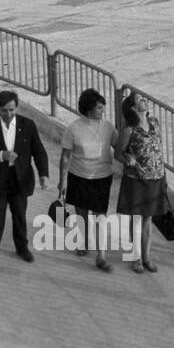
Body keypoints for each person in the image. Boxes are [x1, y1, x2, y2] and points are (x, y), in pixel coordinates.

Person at [0, 90, 50, 270]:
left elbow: (38, 151)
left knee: (20, 216)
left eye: (11, 110)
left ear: (16, 107)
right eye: (4, 111)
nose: (8, 115)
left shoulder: (28, 125)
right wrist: (1, 155)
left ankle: (22, 248)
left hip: (20, 180)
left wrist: (43, 175)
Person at [57, 88, 117, 273]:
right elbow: (65, 156)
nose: (102, 111)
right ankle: (83, 242)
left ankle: (101, 255)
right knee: (82, 214)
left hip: (102, 177)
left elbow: (119, 147)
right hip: (79, 176)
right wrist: (62, 181)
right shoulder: (74, 128)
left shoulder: (108, 127)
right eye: (99, 107)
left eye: (102, 107)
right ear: (89, 109)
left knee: (100, 217)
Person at [113, 87, 165, 273]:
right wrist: (128, 159)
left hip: (155, 177)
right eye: (140, 99)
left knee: (147, 219)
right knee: (136, 219)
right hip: (136, 178)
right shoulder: (129, 130)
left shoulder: (154, 123)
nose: (144, 100)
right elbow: (118, 153)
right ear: (134, 108)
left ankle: (146, 257)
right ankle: (137, 258)